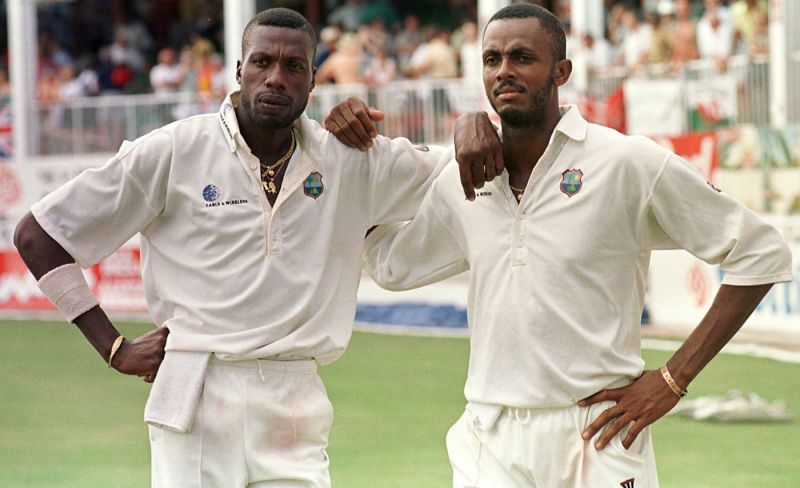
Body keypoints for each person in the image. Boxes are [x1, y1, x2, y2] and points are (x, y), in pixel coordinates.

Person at [13, 8, 495, 488]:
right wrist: (113, 347)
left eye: (294, 67)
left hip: (295, 398)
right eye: (262, 62)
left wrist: (472, 121)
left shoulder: (349, 160)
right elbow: (39, 235)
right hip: (195, 390)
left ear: (312, 80)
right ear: (239, 70)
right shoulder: (177, 148)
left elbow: (464, 167)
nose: (275, 78)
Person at [352, 4, 792, 486]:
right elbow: (391, 266)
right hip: (490, 438)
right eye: (492, 59)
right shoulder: (466, 178)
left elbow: (761, 252)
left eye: (522, 57)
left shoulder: (625, 162)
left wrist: (672, 380)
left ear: (561, 71)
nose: (504, 71)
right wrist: (347, 157)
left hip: (597, 435)